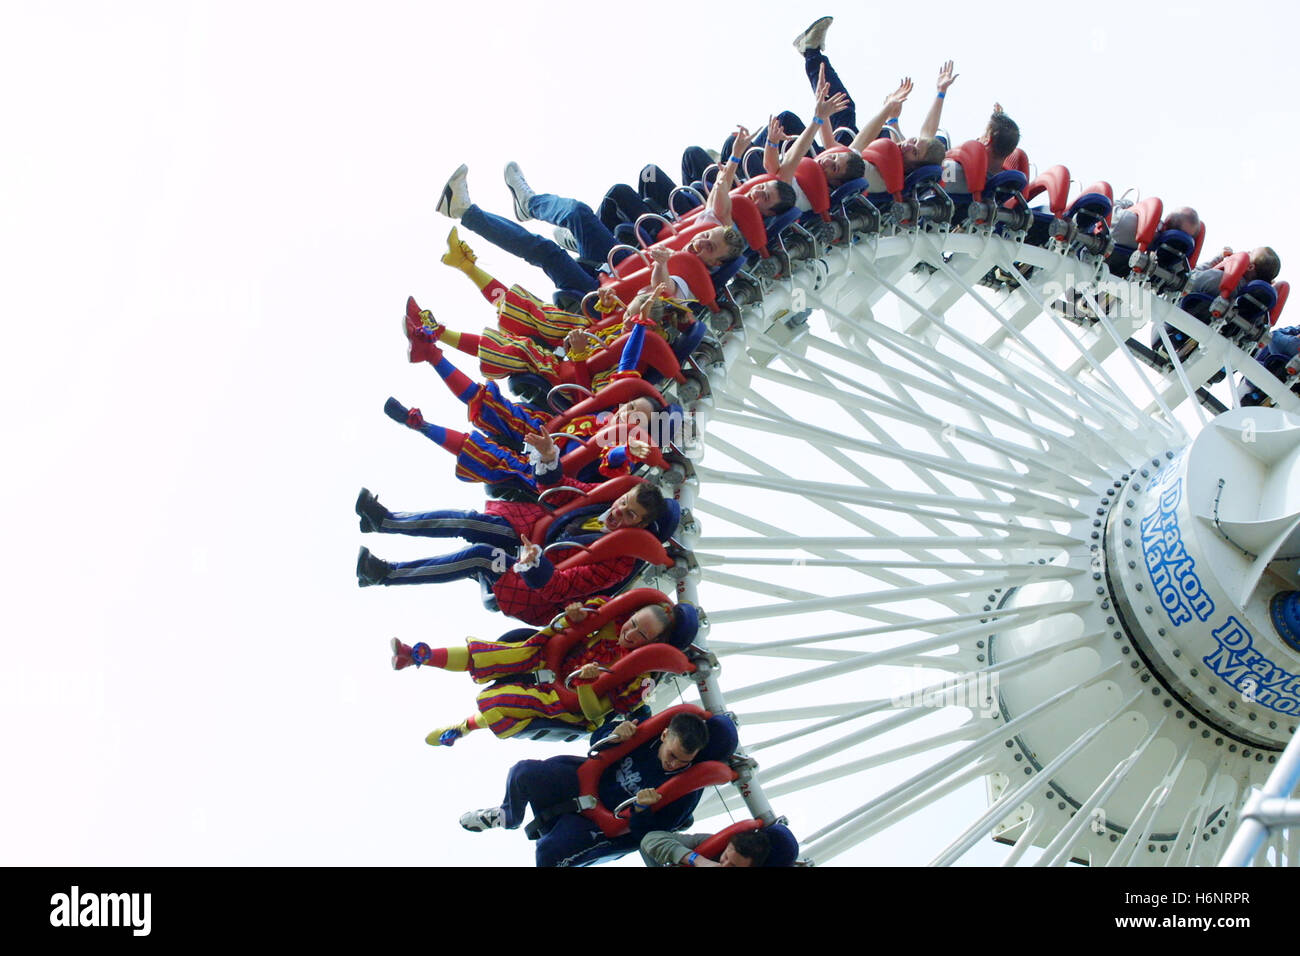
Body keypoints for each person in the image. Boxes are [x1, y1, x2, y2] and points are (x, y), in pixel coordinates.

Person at [354, 470, 672, 626]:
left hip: (533, 583)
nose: (618, 512)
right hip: (524, 533)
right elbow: (563, 491)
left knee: (480, 556)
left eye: (629, 515)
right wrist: (549, 459)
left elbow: (562, 587)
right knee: (472, 522)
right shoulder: (604, 499)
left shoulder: (619, 562)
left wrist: (536, 564)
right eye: (622, 503)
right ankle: (384, 522)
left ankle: (383, 573)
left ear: (640, 526)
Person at [394, 595, 695, 745]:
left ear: (654, 643)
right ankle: (419, 655)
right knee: (503, 654)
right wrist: (572, 617)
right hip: (553, 657)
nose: (630, 634)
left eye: (641, 635)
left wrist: (588, 684)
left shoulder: (639, 680)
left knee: (507, 703)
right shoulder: (609, 614)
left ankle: (463, 728)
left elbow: (597, 713)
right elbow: (564, 626)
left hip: (569, 700)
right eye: (633, 624)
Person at [437, 162, 743, 308]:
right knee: (577, 213)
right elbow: (720, 204)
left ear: (715, 264)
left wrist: (662, 264)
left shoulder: (693, 279)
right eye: (707, 236)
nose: (702, 241)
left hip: (601, 296)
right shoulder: (703, 229)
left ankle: (464, 210)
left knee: (545, 251)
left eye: (709, 247)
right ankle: (529, 203)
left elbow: (666, 293)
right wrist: (730, 167)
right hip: (618, 259)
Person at [458, 711, 711, 867]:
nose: (673, 763)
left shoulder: (686, 791)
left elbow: (654, 837)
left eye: (683, 760)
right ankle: (508, 815)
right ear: (665, 735)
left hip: (604, 826)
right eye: (672, 755)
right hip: (582, 786)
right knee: (523, 773)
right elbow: (595, 742)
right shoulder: (645, 732)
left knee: (549, 853)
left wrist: (643, 809)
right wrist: (615, 732)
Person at [790, 16, 951, 173]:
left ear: (914, 167)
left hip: (831, 165)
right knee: (844, 109)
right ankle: (811, 50)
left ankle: (811, 51)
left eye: (914, 152)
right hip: (845, 152)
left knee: (788, 120)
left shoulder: (886, 169)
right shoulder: (897, 151)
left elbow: (837, 150)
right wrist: (940, 93)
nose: (909, 144)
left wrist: (820, 117)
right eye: (914, 141)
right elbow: (926, 135)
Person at [639, 828, 772, 867]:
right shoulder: (712, 843)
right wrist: (700, 861)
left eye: (733, 867)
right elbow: (651, 838)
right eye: (726, 857)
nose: (724, 865)